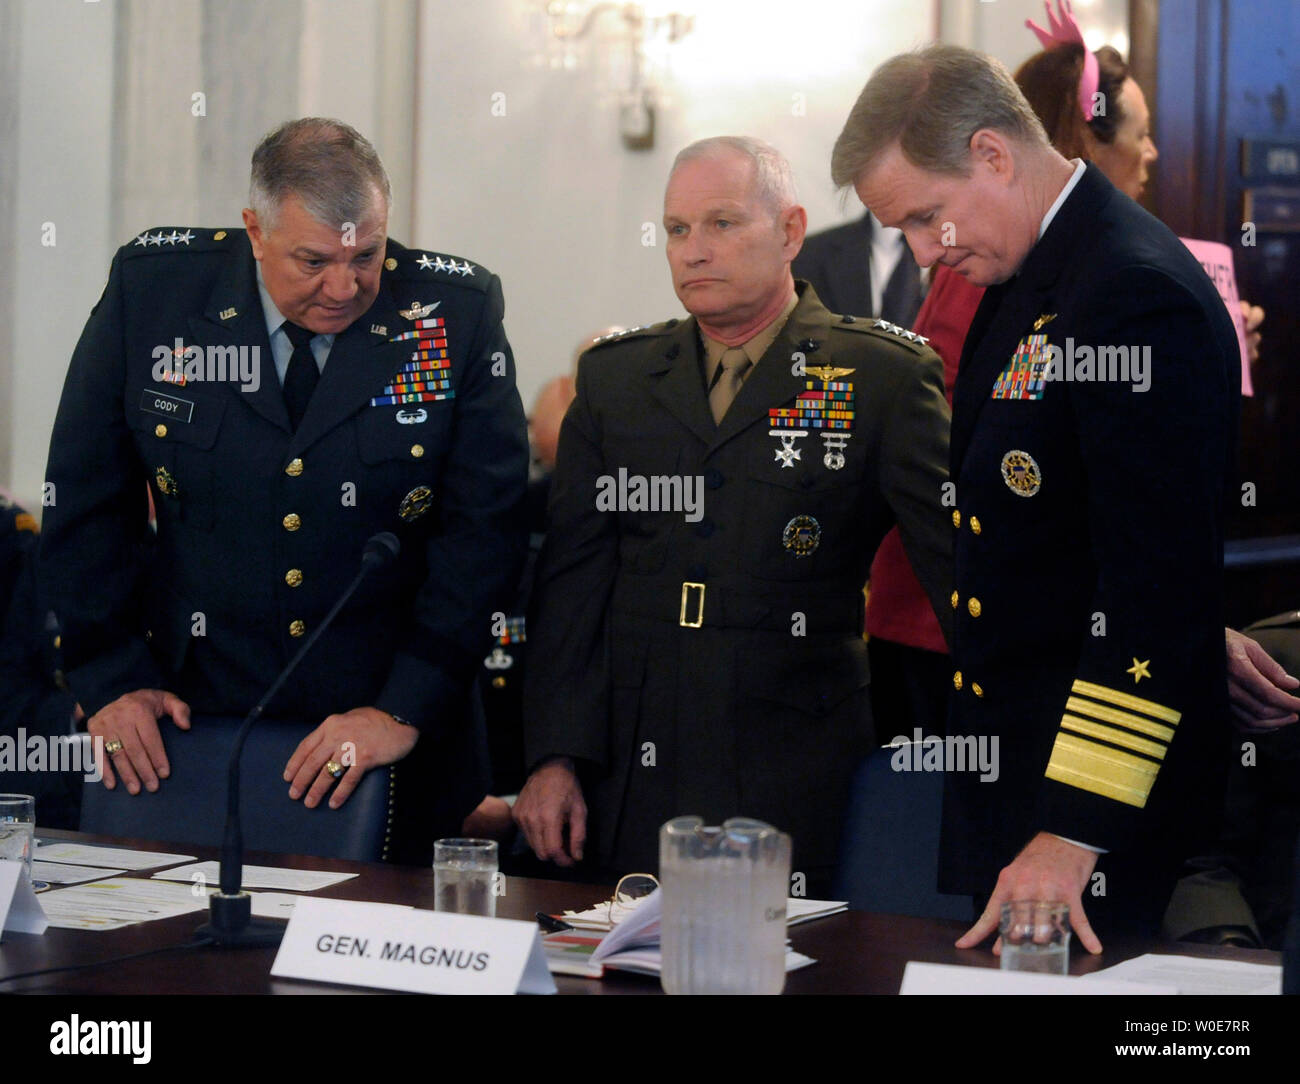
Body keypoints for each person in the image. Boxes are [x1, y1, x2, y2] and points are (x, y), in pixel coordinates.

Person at [832, 44, 1240, 949]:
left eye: (927, 217)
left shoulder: (1131, 293)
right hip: (1015, 778)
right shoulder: (1034, 274)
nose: (924, 251)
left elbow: (1150, 594)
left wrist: (1074, 826)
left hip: (1097, 817)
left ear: (992, 154)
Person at [38, 118, 529, 864]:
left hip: (393, 733)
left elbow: (485, 530)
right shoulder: (158, 293)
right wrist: (108, 675)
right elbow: (83, 498)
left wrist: (405, 704)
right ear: (254, 230)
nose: (345, 286)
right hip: (187, 730)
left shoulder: (451, 312)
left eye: (367, 256)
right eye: (314, 260)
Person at [513, 136, 953, 890]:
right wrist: (554, 757)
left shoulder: (880, 375)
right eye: (677, 230)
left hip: (796, 765)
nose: (693, 250)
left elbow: (961, 566)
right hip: (634, 769)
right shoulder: (617, 381)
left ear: (790, 231)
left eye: (721, 224)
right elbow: (573, 588)